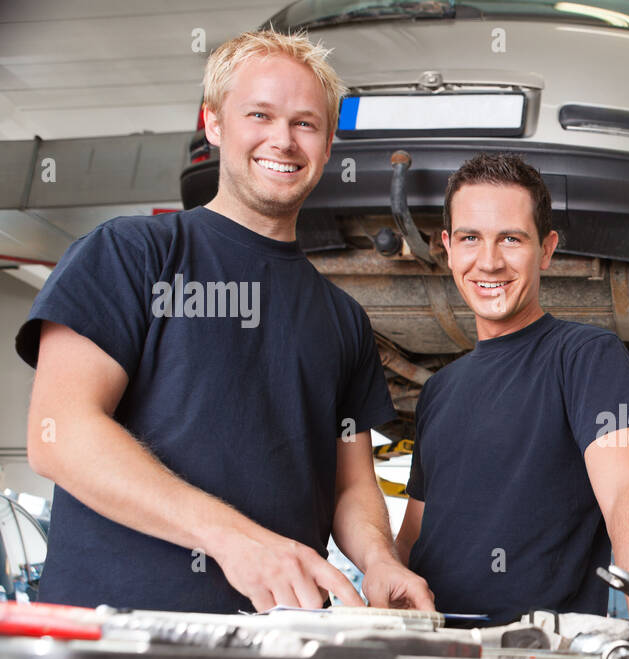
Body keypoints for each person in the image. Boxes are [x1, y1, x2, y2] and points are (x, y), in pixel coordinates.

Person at [18, 30, 434, 614]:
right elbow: (58, 434)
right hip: (117, 649)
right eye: (259, 114)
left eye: (305, 124)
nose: (283, 141)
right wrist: (233, 539)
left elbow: (350, 485)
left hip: (280, 654)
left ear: (329, 141)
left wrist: (380, 560)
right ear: (215, 124)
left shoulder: (343, 320)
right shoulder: (128, 254)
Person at [395, 153, 629, 659]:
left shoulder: (588, 357)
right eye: (470, 238)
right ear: (447, 248)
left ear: (546, 250)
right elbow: (415, 534)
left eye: (511, 238)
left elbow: (628, 493)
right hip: (431, 658)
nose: (489, 261)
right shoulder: (441, 390)